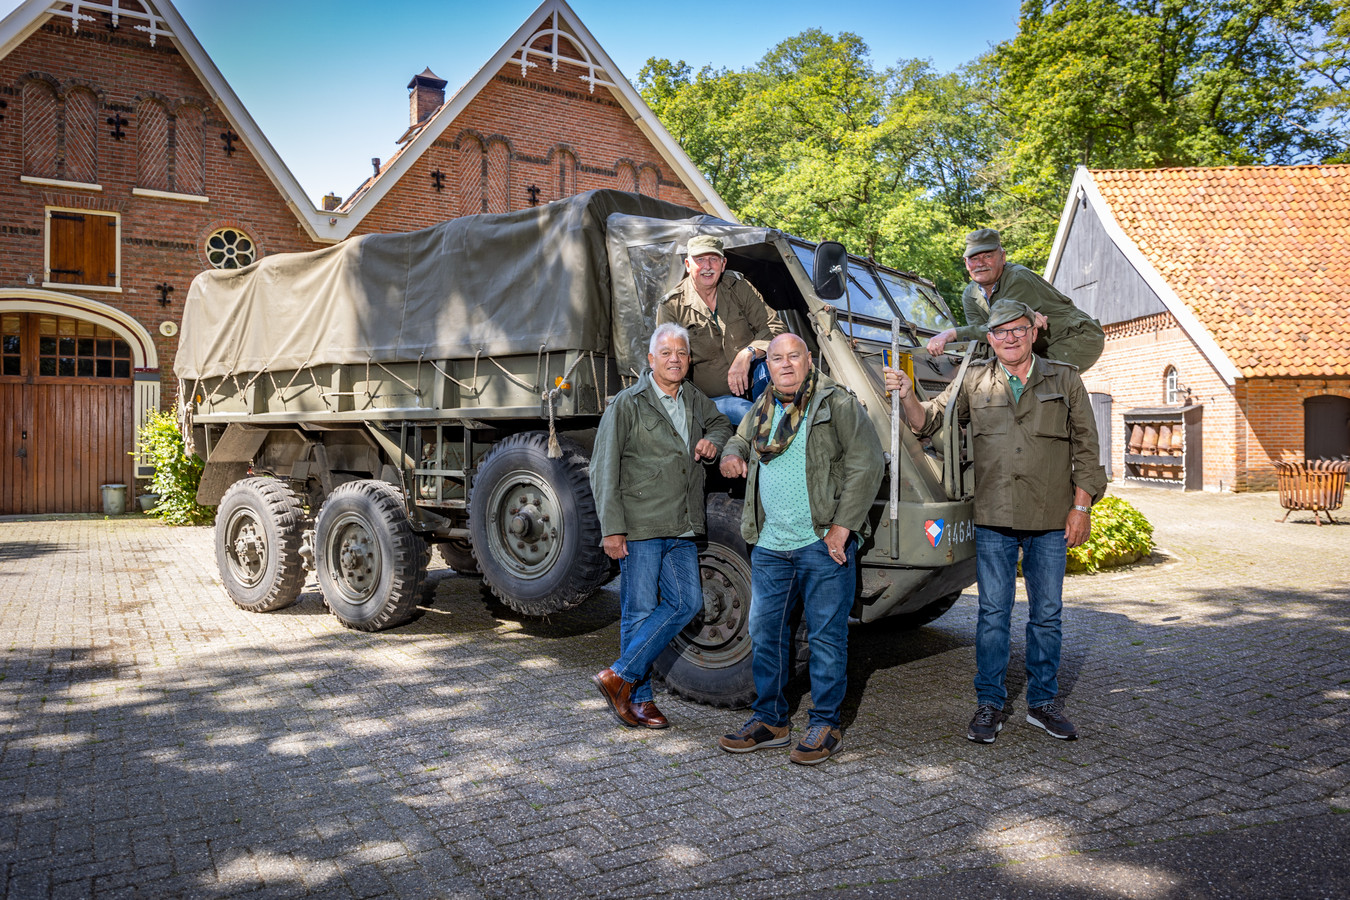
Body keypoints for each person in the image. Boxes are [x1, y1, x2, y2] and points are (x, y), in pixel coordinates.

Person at [886, 299, 1107, 743]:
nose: (1010, 337)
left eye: (1018, 329)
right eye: (1000, 331)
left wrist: (1081, 508)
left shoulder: (1064, 378)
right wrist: (907, 393)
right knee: (992, 615)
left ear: (1032, 332)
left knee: (1046, 615)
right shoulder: (973, 380)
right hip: (994, 517)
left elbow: (1087, 448)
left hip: (1049, 517)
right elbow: (928, 422)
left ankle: (1042, 703)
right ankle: (990, 703)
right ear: (989, 339)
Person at [716, 333, 884, 765]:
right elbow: (740, 436)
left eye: (794, 356)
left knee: (828, 637)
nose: (786, 365)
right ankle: (770, 719)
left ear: (808, 360)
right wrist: (732, 454)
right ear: (767, 365)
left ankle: (825, 721)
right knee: (764, 633)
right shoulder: (763, 406)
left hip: (821, 541)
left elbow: (867, 463)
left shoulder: (835, 403)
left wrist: (842, 528)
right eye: (777, 358)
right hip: (771, 543)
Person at [589, 323, 733, 729]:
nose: (675, 359)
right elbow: (603, 468)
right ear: (650, 360)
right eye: (666, 353)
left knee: (687, 603)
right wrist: (612, 529)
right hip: (641, 525)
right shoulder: (627, 403)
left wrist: (713, 443)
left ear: (689, 361)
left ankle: (620, 675)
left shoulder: (693, 398)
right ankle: (642, 699)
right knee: (638, 612)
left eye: (682, 353)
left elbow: (721, 424)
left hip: (683, 524)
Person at [926, 229, 1105, 373]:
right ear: (966, 263)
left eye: (988, 256)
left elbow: (1003, 327)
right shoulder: (970, 294)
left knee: (1040, 383)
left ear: (1002, 257)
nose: (981, 263)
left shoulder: (1017, 278)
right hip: (1040, 346)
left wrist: (951, 333)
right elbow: (986, 339)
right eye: (974, 258)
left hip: (1074, 337)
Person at [657, 234, 786, 424]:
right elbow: (667, 363)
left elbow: (776, 328)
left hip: (754, 383)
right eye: (700, 259)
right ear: (687, 264)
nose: (707, 266)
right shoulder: (672, 305)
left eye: (713, 259)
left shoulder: (738, 287)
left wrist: (748, 353)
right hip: (710, 400)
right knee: (748, 415)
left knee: (778, 368)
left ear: (723, 264)